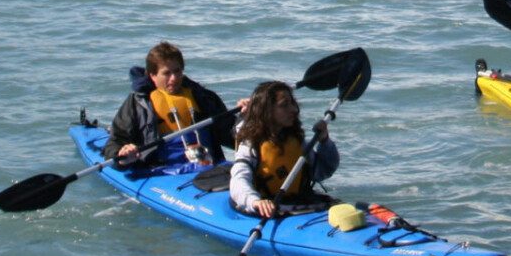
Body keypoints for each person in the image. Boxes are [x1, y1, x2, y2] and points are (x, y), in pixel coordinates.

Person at [107, 41, 237, 166]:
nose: (174, 78)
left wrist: (248, 115)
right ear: (152, 75)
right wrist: (122, 155)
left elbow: (231, 134)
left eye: (177, 71)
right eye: (167, 73)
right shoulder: (137, 104)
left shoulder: (203, 97)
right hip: (162, 170)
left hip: (208, 163)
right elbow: (115, 142)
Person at [228, 80, 340, 216]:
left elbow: (322, 172)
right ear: (267, 111)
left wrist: (325, 141)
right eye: (284, 105)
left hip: (300, 203)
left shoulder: (295, 139)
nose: (293, 109)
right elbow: (238, 179)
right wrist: (255, 201)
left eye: (292, 103)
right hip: (270, 207)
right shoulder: (250, 144)